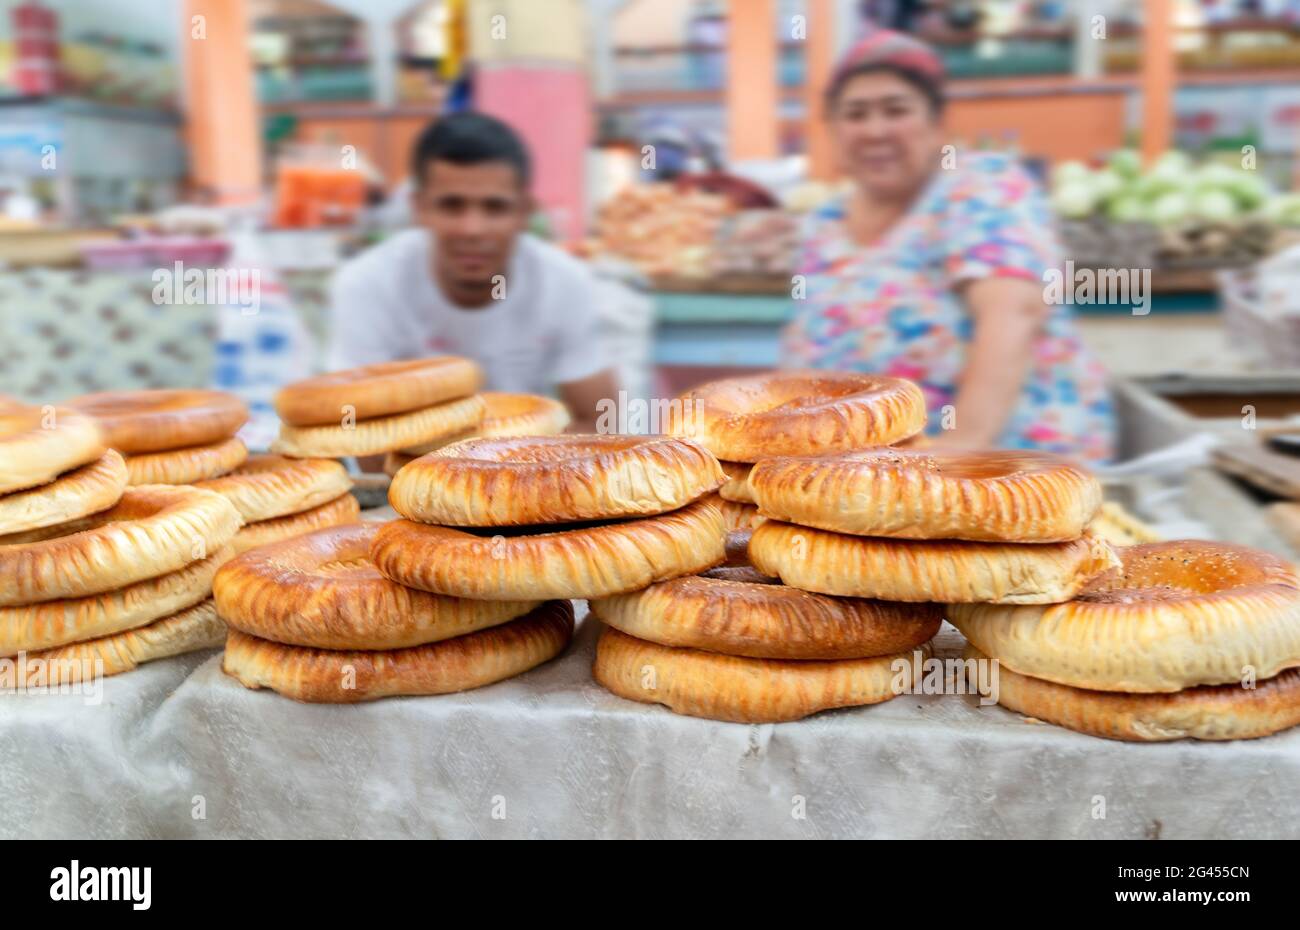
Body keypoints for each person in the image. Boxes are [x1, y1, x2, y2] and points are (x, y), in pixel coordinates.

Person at [783, 30, 1116, 463]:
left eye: (896, 110)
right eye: (855, 114)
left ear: (937, 125)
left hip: (1011, 474)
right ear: (833, 130)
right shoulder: (823, 225)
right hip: (873, 483)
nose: (875, 130)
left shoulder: (981, 187)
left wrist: (956, 457)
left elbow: (1013, 313)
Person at [326, 112, 618, 432]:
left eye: (494, 208)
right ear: (420, 208)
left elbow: (602, 420)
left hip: (522, 469)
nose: (472, 229)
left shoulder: (565, 282)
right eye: (452, 205)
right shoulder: (369, 284)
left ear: (523, 212)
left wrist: (513, 468)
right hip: (407, 475)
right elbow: (360, 430)